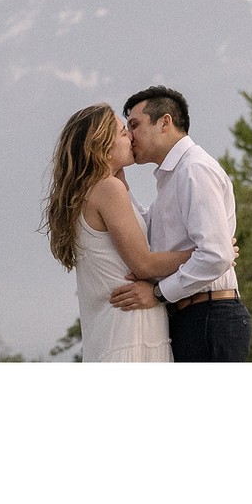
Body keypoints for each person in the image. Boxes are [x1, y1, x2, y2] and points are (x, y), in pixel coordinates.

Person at [109, 85, 252, 363]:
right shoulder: (172, 178)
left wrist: (158, 293)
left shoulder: (194, 170)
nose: (129, 136)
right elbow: (148, 230)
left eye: (135, 125)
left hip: (209, 317)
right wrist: (118, 176)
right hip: (194, 317)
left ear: (165, 122)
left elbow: (215, 255)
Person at [44, 103, 192, 363]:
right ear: (100, 145)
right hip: (131, 333)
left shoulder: (92, 192)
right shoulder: (108, 189)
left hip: (110, 333)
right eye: (123, 133)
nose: (131, 137)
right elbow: (144, 264)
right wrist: (203, 253)